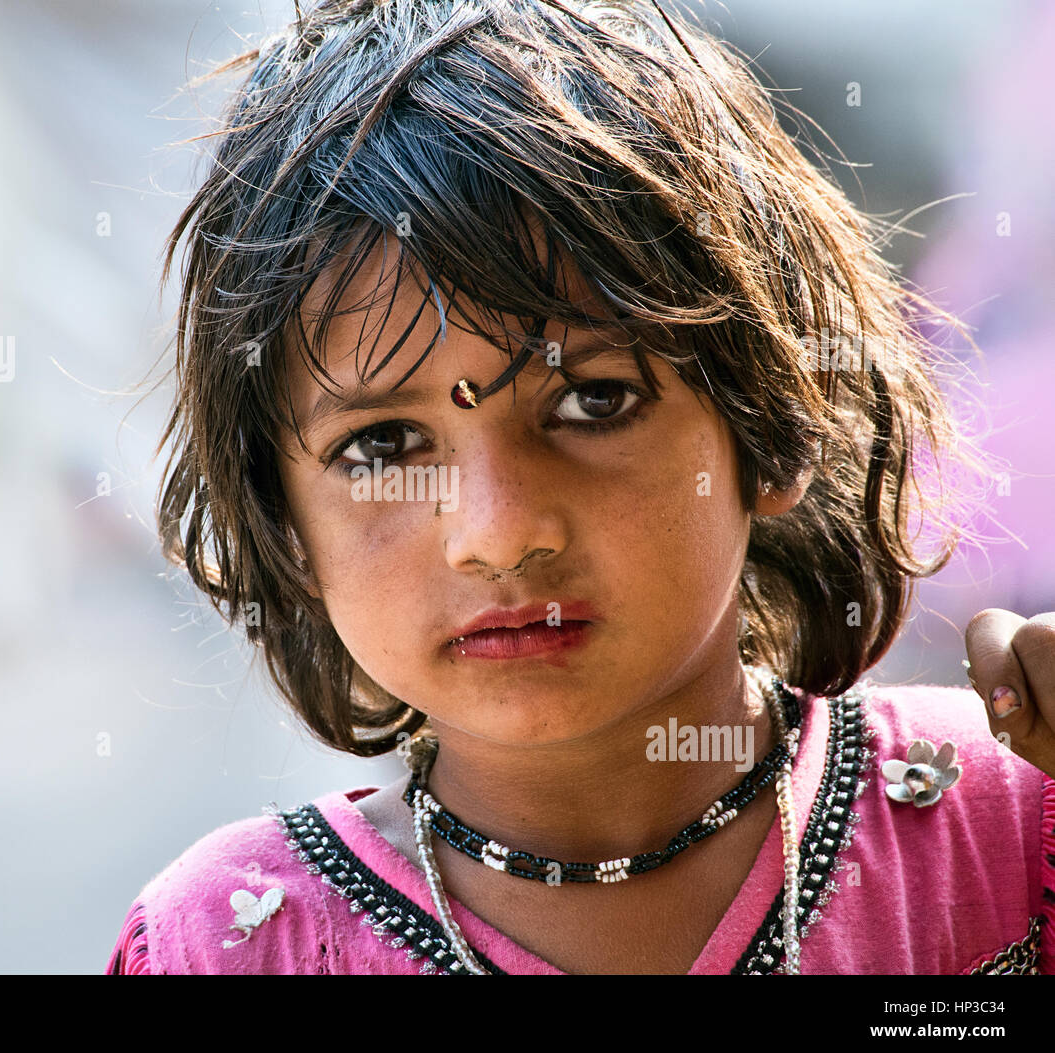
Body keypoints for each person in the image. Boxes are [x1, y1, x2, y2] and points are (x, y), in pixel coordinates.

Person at [105, 0, 1055, 974]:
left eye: (594, 403)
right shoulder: (229, 944)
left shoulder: (1004, 829)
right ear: (285, 521)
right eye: (384, 444)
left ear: (768, 431)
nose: (498, 531)